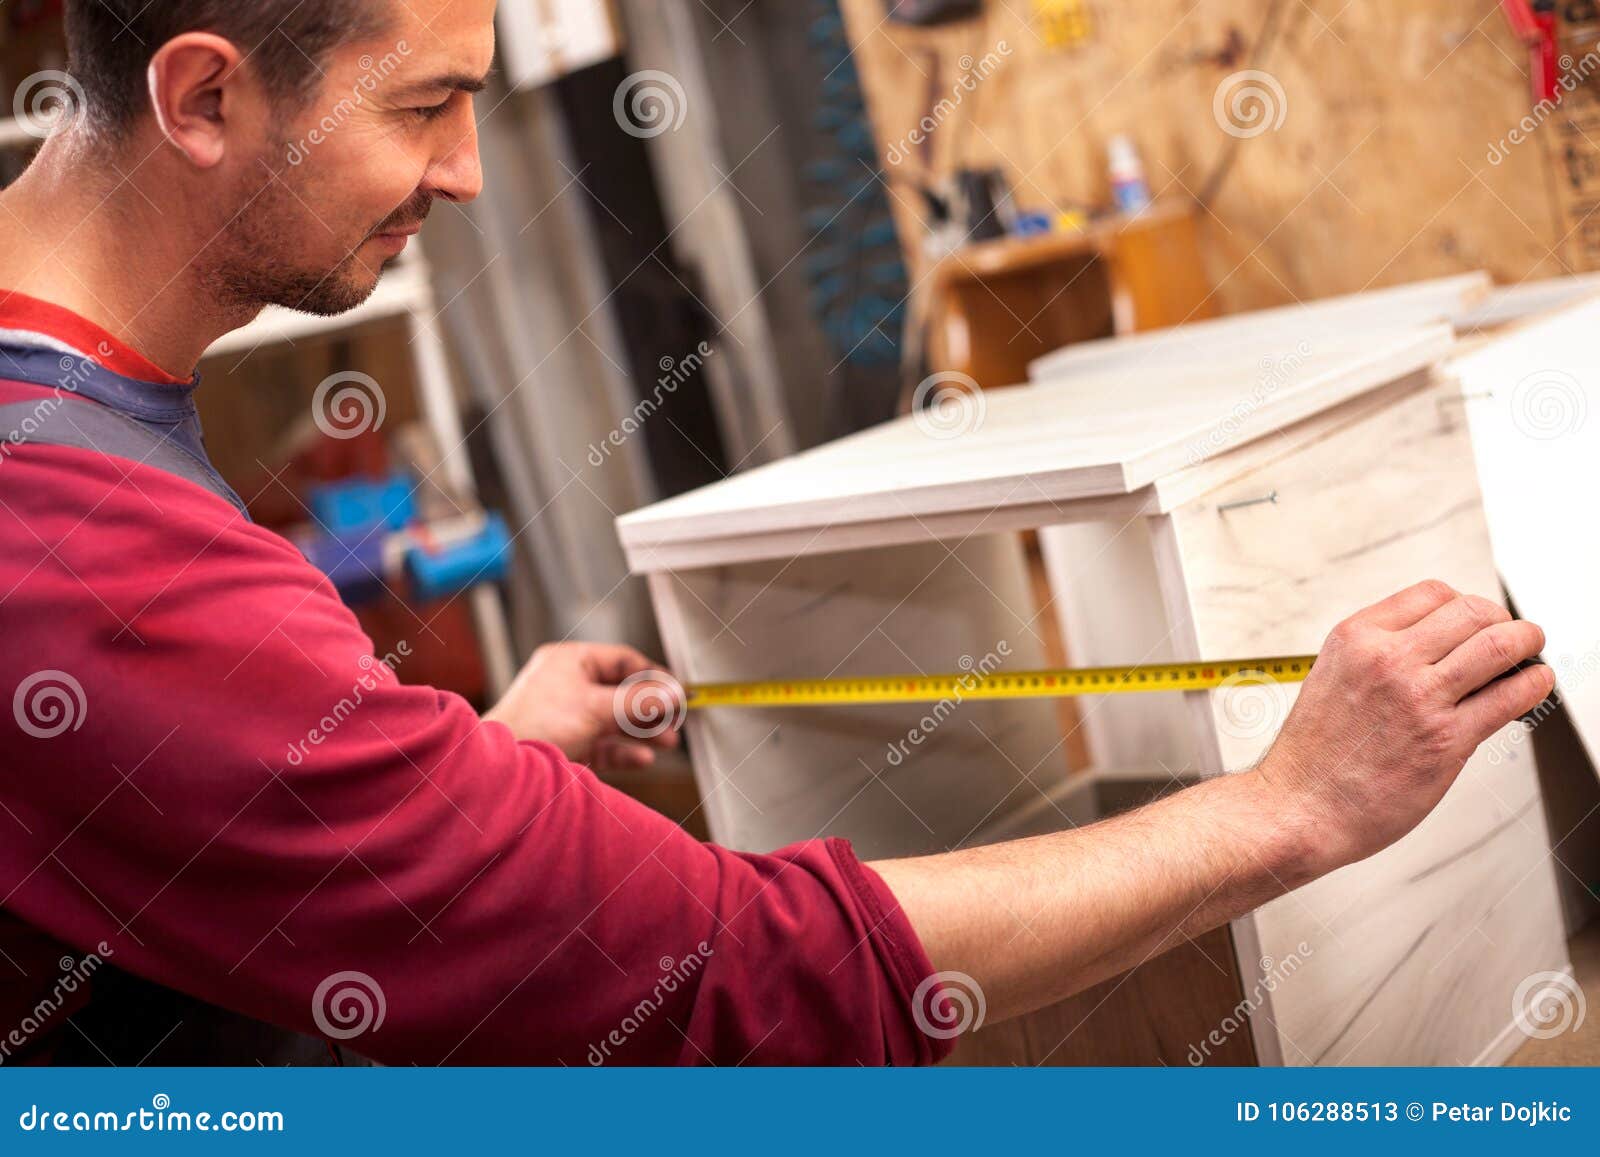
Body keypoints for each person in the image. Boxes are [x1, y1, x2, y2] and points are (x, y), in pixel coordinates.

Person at [0, 0, 1554, 1066]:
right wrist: (1288, 811)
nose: (468, 171)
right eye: (427, 105)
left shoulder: (73, 409)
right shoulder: (78, 536)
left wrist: (455, 773)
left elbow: (160, 825)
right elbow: (715, 964)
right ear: (205, 96)